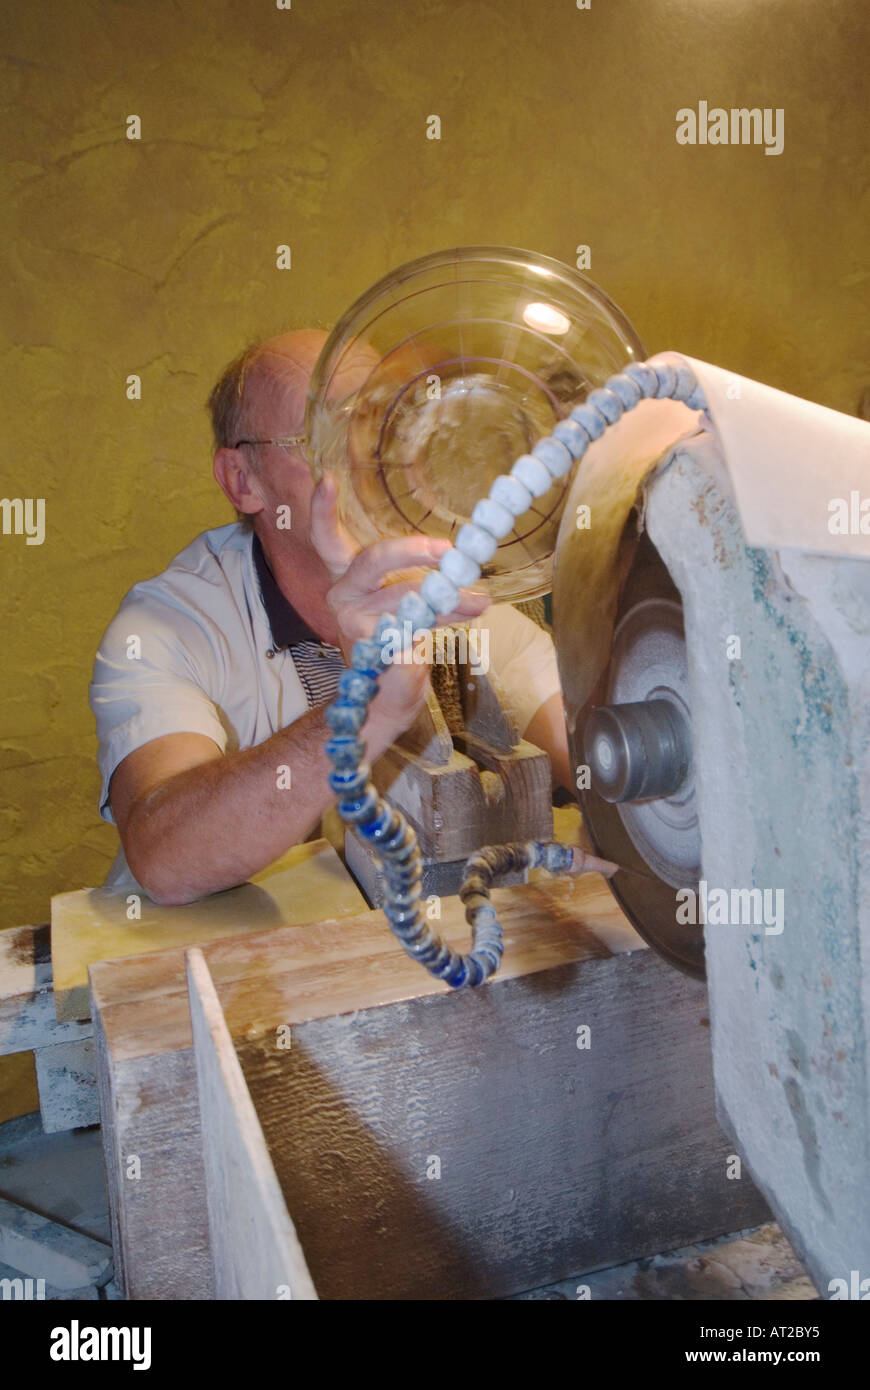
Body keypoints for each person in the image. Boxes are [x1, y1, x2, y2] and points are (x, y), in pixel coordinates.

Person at [89, 331, 572, 904]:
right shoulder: (170, 627)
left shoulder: (449, 594)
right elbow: (164, 857)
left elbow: (603, 768)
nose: (376, 466)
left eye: (385, 428)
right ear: (243, 481)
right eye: (326, 438)